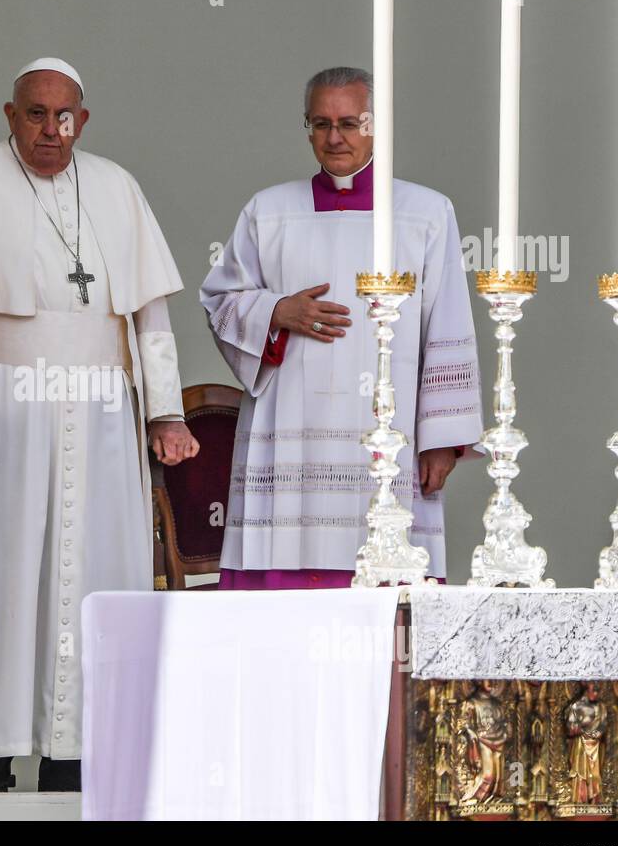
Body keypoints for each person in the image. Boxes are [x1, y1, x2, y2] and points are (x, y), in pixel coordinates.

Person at [0, 57, 198, 791]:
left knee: (95, 573)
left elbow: (150, 316)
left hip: (99, 412)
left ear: (82, 121)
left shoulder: (118, 187)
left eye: (64, 116)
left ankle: (82, 753)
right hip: (3, 412)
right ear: (10, 114)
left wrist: (165, 410)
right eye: (35, 114)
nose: (50, 129)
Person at [200, 66, 482, 588]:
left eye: (350, 123)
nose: (335, 138)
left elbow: (447, 322)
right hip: (290, 433)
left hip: (387, 435)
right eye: (321, 124)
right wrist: (275, 312)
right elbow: (220, 299)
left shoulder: (425, 212)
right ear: (306, 127)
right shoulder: (269, 210)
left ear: (378, 125)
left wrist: (442, 439)